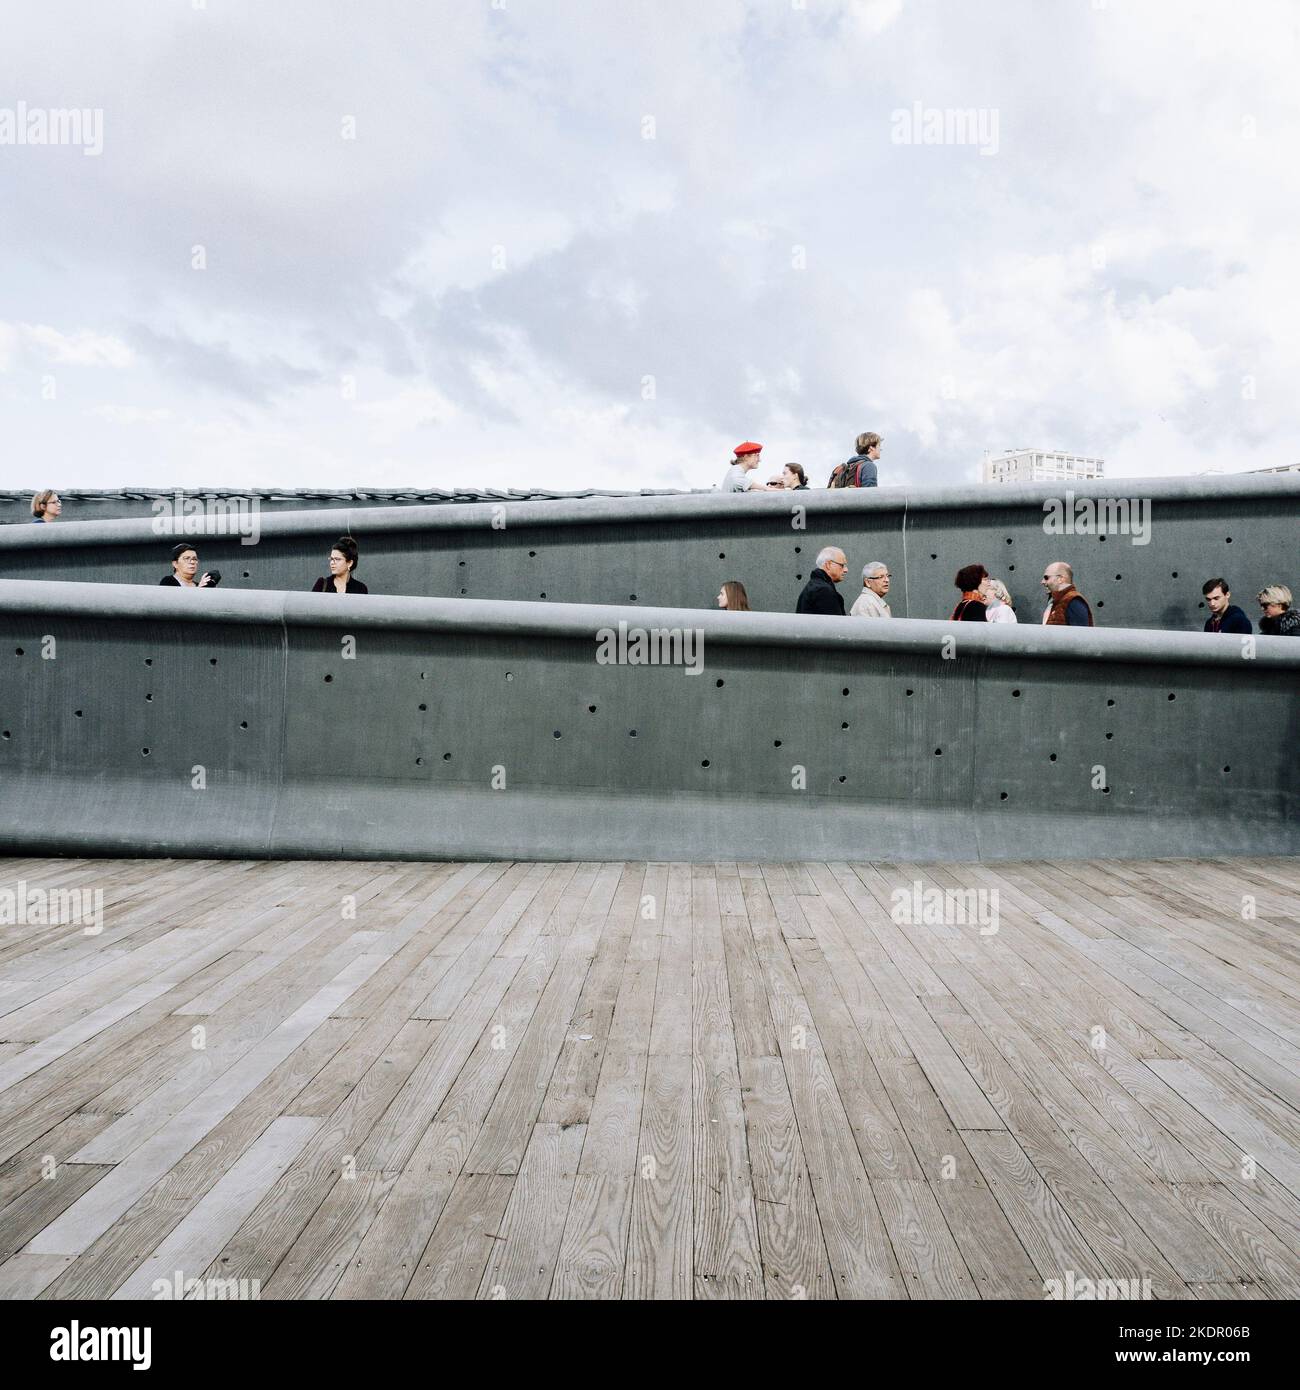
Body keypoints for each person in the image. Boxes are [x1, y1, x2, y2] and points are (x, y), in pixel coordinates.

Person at [796, 547, 847, 615]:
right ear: (828, 565)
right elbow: (835, 624)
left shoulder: (814, 586)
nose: (846, 570)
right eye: (842, 565)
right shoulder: (823, 590)